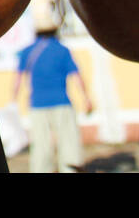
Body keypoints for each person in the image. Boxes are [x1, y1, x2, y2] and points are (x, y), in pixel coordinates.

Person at [14, 9, 91, 173]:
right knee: (69, 141)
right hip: (61, 101)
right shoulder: (62, 50)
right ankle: (71, 170)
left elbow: (18, 78)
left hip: (37, 103)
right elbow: (76, 76)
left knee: (40, 144)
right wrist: (86, 98)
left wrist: (13, 100)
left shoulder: (27, 51)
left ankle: (41, 170)